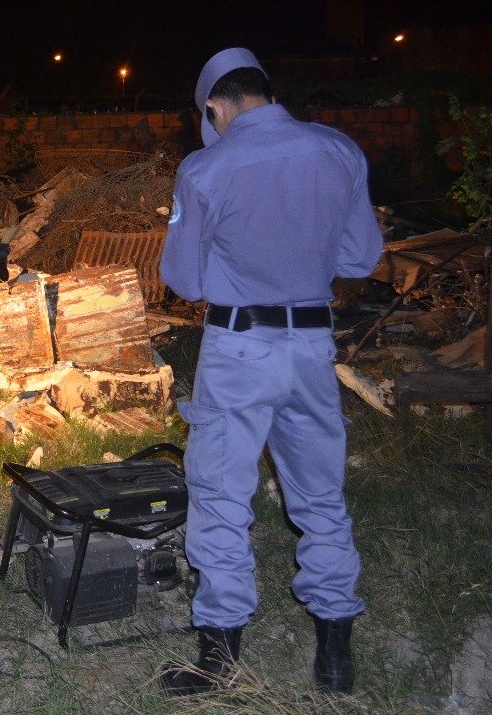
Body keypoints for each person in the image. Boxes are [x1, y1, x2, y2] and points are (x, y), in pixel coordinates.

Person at [156, 48, 383, 696]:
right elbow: (361, 256)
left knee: (221, 495)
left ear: (213, 107)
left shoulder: (205, 168)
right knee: (320, 496)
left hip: (239, 349)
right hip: (312, 348)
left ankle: (219, 658)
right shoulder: (339, 150)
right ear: (267, 91)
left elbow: (184, 277)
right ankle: (335, 660)